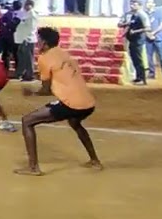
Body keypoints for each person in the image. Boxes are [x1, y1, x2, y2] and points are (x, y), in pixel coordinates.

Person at [16, 27, 102, 176]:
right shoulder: (64, 53)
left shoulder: (44, 58)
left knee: (27, 121)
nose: (37, 42)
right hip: (88, 103)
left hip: (71, 103)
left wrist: (31, 92)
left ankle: (33, 167)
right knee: (75, 123)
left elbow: (46, 89)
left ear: (44, 43)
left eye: (39, 39)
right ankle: (95, 161)